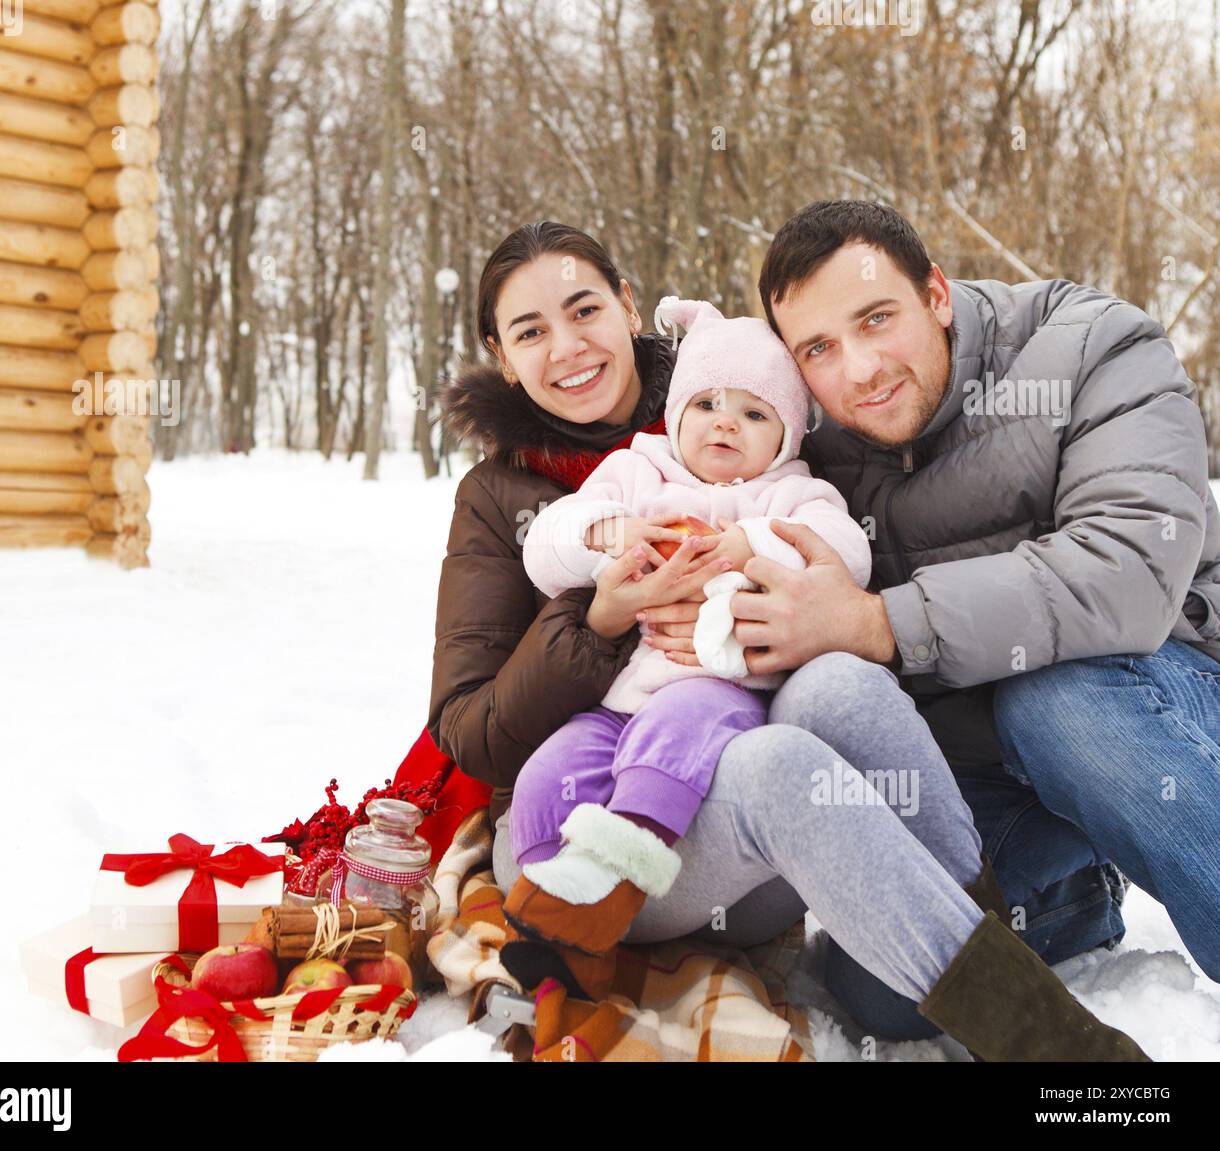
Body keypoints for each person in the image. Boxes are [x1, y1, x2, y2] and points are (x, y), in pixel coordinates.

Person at [428, 218, 1148, 1059]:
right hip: (577, 805)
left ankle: (978, 927)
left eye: (583, 308)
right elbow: (473, 732)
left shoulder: (762, 410)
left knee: (837, 684)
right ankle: (1062, 1053)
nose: (567, 345)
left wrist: (784, 581)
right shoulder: (520, 495)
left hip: (736, 799)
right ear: (502, 354)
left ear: (628, 307)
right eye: (530, 331)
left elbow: (843, 548)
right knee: (777, 764)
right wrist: (601, 615)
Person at [645, 198, 1219, 1031]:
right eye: (819, 349)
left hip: (1163, 688)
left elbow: (1127, 574)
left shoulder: (1096, 344)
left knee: (1056, 707)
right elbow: (676, 428)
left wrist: (874, 621)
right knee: (886, 982)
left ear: (937, 294)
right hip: (981, 758)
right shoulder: (814, 443)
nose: (861, 369)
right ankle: (1073, 887)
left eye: (878, 319)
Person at [498, 297, 873, 999]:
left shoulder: (788, 494)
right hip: (618, 704)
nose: (726, 422)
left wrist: (752, 544)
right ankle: (564, 933)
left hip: (718, 691)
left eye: (755, 413)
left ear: (788, 435)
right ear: (675, 415)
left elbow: (848, 557)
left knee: (674, 731)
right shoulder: (641, 473)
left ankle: (616, 871)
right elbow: (546, 545)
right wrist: (608, 533)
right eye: (706, 404)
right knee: (544, 777)